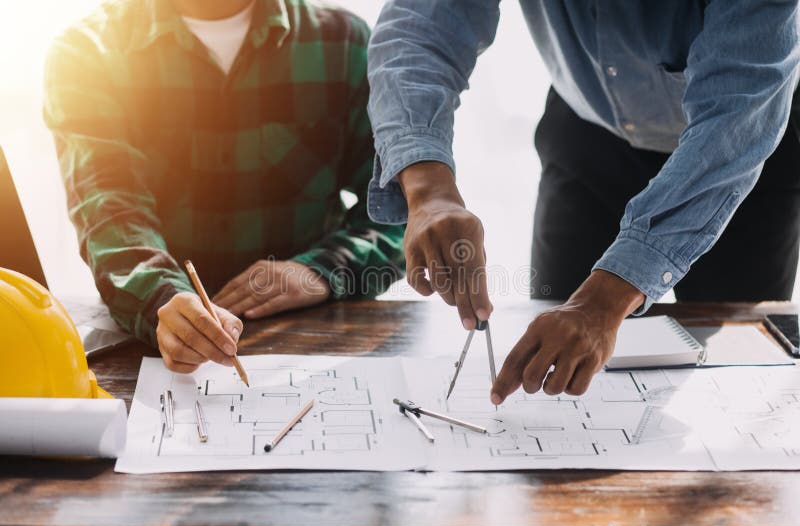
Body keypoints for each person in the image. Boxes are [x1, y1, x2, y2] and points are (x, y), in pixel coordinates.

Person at [366, 1, 800, 401]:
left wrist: (606, 300)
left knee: (732, 382)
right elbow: (418, 30)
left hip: (743, 147)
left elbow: (735, 116)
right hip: (589, 125)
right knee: (556, 360)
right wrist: (429, 190)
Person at [44, 0, 404, 372]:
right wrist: (162, 297)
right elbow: (108, 211)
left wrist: (321, 271)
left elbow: (396, 213)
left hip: (318, 348)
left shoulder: (344, 44)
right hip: (153, 352)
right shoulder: (88, 52)